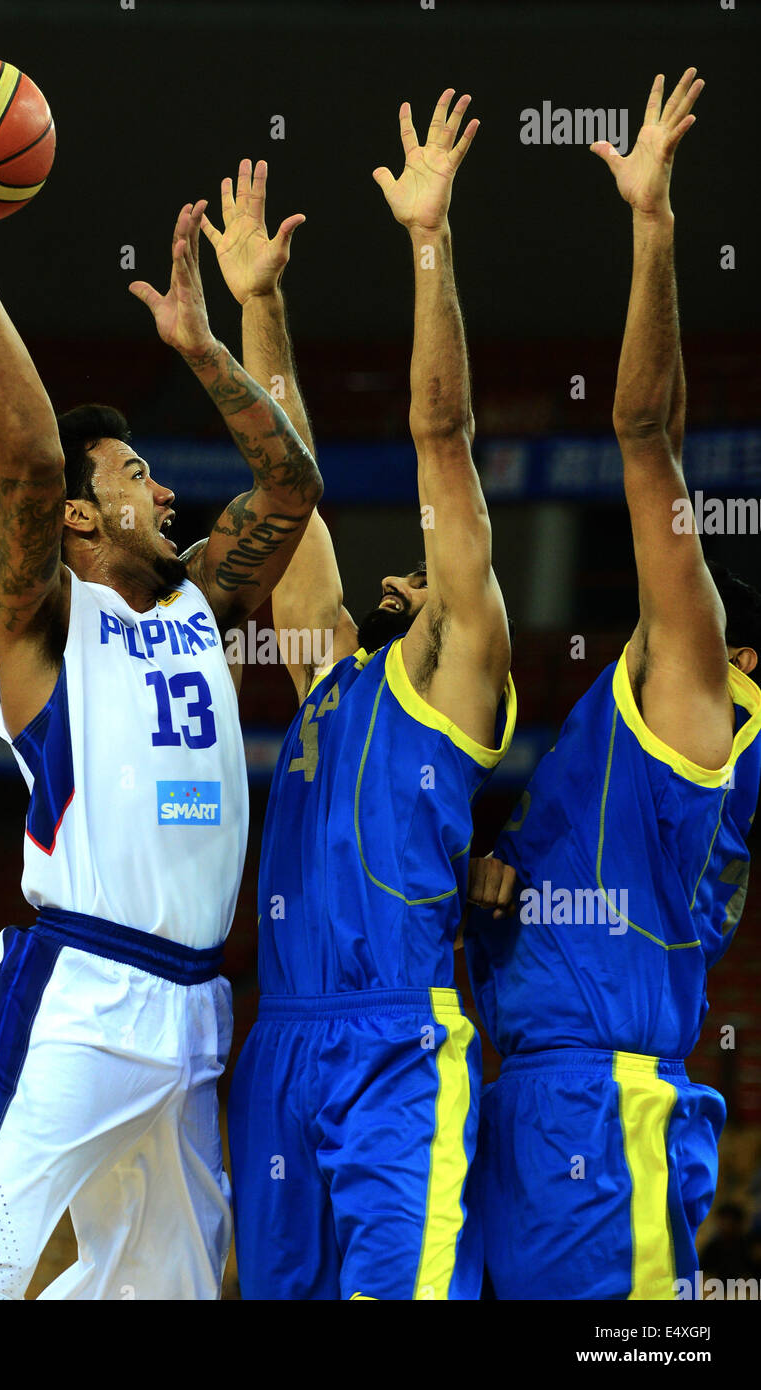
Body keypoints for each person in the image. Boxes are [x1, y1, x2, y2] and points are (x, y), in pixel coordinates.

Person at [0, 131, 322, 1301]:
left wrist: (209, 347)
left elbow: (291, 485)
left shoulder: (201, 600)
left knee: (164, 1294)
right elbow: (22, 467)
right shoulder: (43, 614)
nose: (162, 487)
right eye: (130, 475)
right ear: (78, 517)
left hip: (193, 1006)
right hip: (81, 994)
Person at [465, 68, 761, 1301]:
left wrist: (651, 229)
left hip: (596, 1112)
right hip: (533, 1092)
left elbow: (645, 435)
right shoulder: (632, 724)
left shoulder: (695, 690)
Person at [216, 94, 515, 1300]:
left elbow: (438, 434)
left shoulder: (453, 661)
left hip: (396, 1041)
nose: (394, 569)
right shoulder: (325, 670)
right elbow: (282, 482)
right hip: (280, 1035)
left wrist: (426, 238)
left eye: (412, 566)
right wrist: (256, 302)